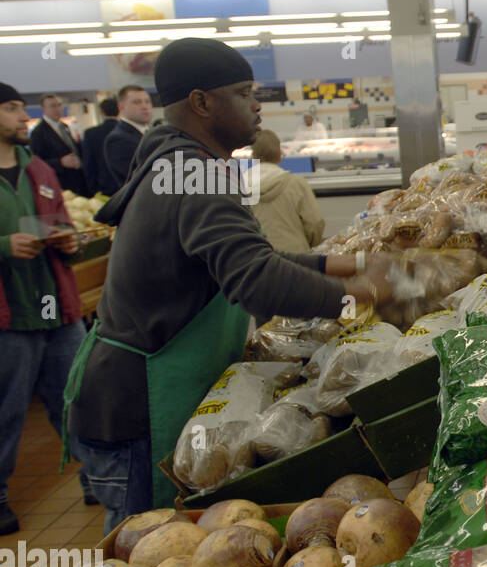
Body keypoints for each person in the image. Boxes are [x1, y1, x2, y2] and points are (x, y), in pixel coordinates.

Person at [64, 39, 395, 532]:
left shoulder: (179, 165)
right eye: (244, 92)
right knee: (150, 549)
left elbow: (254, 257)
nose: (258, 104)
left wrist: (341, 262)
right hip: (138, 407)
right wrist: (359, 298)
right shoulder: (193, 174)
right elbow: (255, 280)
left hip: (136, 391)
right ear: (201, 103)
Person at [0, 82, 95, 534]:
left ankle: (95, 474)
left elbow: (60, 231)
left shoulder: (38, 169)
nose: (25, 117)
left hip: (55, 308)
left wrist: (69, 242)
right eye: (13, 108)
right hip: (8, 318)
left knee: (74, 398)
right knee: (7, 410)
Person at [248, 129, 325, 253]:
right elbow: (315, 224)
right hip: (295, 258)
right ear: (279, 155)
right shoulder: (297, 184)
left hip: (256, 258)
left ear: (253, 156)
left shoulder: (238, 187)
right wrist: (306, 245)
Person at [29, 94, 87, 195]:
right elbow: (36, 162)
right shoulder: (38, 133)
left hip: (78, 182)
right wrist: (60, 163)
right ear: (44, 109)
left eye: (59, 105)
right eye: (52, 106)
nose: (57, 109)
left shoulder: (65, 127)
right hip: (60, 185)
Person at [103, 84, 153, 194]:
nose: (144, 106)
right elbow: (142, 178)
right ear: (121, 107)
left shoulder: (151, 132)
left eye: (147, 101)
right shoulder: (118, 139)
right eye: (137, 102)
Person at [80, 97, 119, 196]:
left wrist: (92, 189)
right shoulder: (128, 132)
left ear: (101, 112)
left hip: (102, 187)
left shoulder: (90, 134)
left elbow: (88, 163)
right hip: (125, 185)